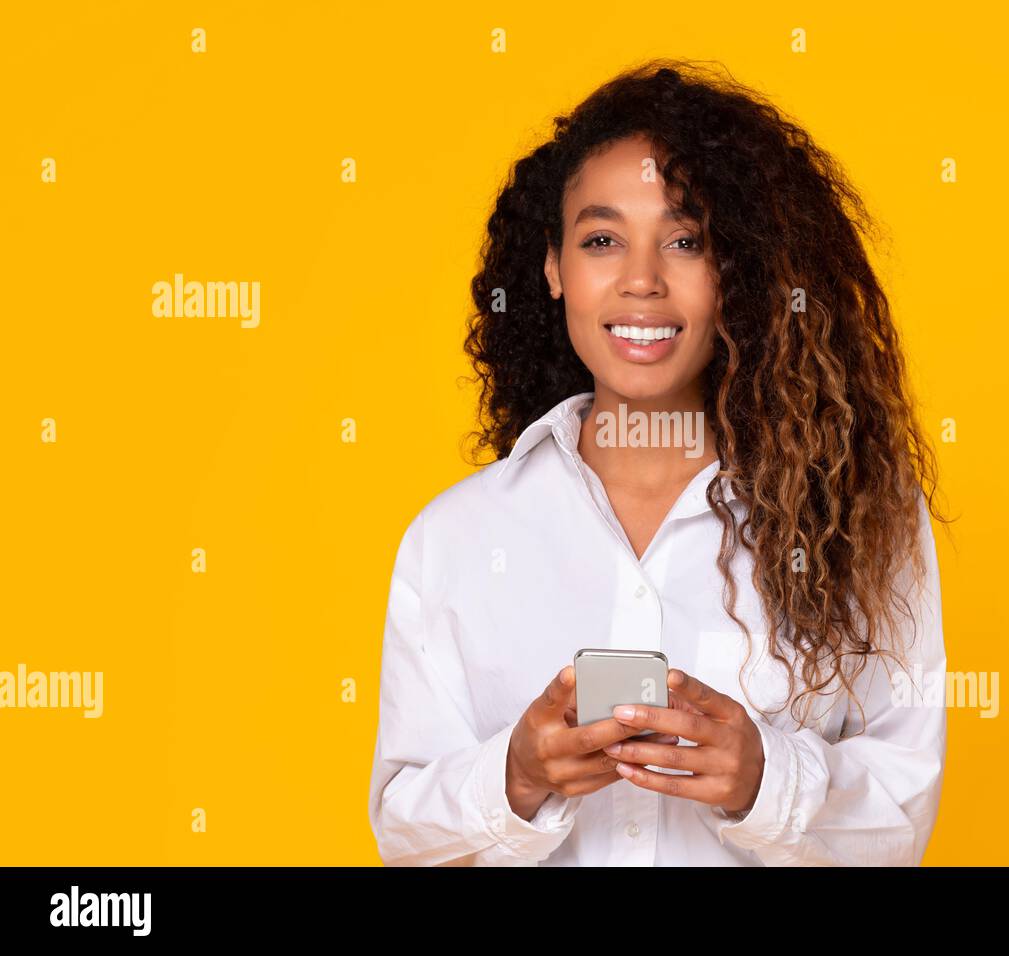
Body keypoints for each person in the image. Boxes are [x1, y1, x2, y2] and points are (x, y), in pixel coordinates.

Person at [368, 58, 953, 866]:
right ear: (553, 268)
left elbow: (900, 819)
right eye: (602, 240)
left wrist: (764, 780)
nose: (641, 281)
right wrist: (517, 777)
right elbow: (404, 832)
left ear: (738, 271)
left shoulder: (856, 513)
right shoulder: (459, 537)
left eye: (686, 241)